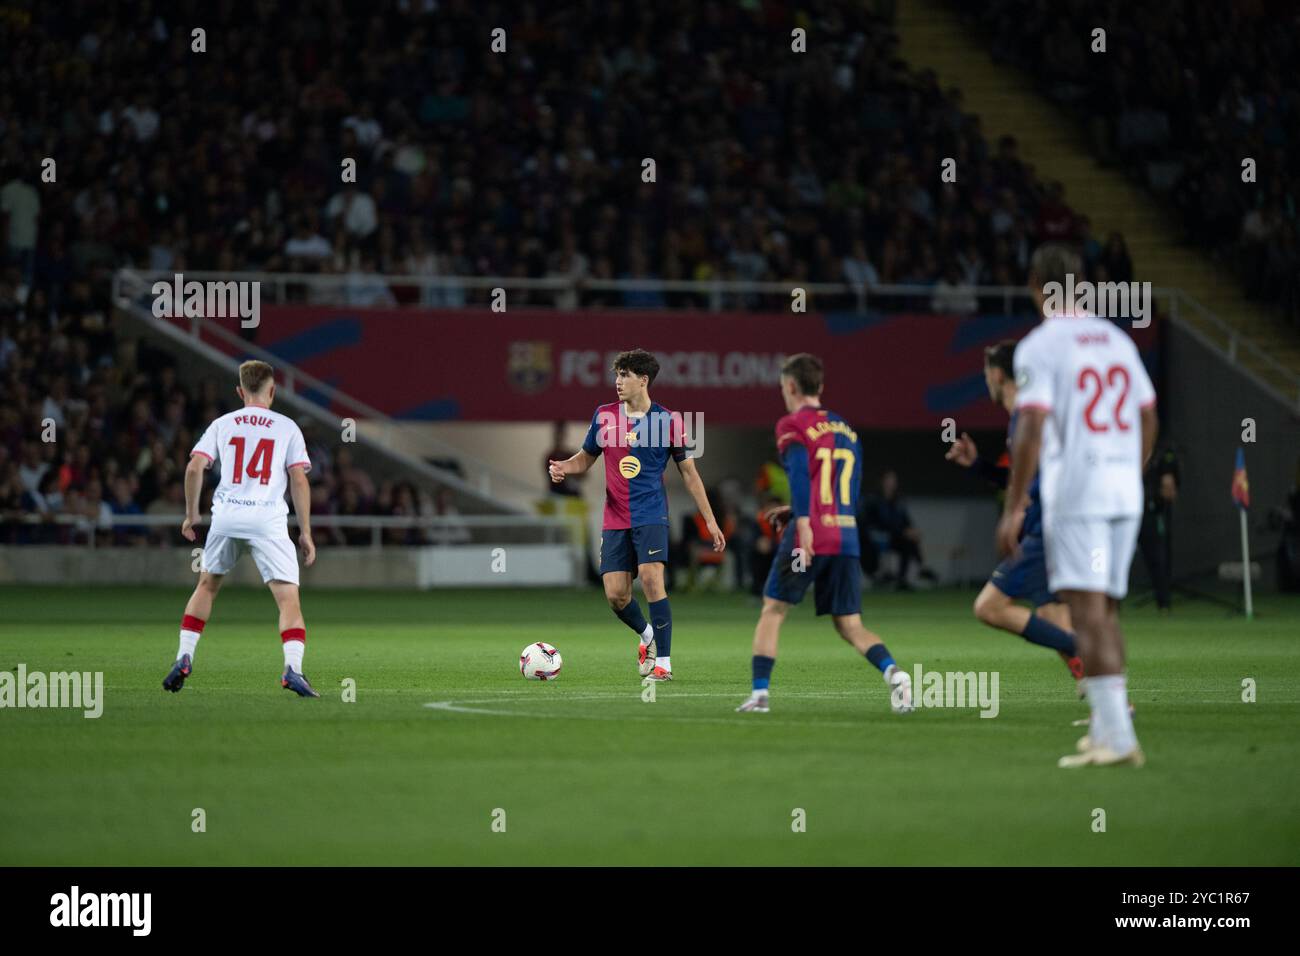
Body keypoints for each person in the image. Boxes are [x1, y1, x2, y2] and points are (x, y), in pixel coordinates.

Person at [998, 245, 1157, 768]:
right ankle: (1109, 727)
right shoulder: (1115, 338)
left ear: (1035, 285)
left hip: (1080, 491)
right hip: (1122, 491)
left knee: (1085, 614)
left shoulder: (1039, 347)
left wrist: (1015, 504)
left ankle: (1117, 739)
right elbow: (1149, 414)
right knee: (1105, 611)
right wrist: (1129, 471)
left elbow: (1031, 428)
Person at [736, 353, 913, 715]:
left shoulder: (792, 424)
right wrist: (804, 509)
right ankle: (893, 673)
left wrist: (803, 522)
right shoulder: (846, 429)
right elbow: (847, 487)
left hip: (811, 536)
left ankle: (759, 695)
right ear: (821, 387)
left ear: (789, 385)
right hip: (846, 535)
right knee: (850, 624)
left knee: (773, 610)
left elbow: (801, 474)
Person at [548, 349, 724, 681]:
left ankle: (664, 665)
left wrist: (710, 520)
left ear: (643, 380)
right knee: (616, 595)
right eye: (617, 375)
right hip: (615, 517)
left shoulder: (669, 421)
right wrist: (563, 468)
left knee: (652, 579)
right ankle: (648, 637)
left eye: (625, 375)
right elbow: (585, 459)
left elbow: (690, 474)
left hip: (651, 514)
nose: (617, 382)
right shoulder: (603, 416)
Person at [163, 360, 320, 698]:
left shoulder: (223, 423)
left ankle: (183, 657)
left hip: (227, 516)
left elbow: (194, 468)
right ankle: (293, 669)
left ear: (239, 391)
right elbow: (298, 478)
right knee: (287, 600)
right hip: (268, 520)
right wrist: (305, 531)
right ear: (273, 391)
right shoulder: (287, 427)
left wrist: (192, 515)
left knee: (206, 587)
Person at [946, 340, 1083, 685]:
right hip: (1056, 525)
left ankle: (1091, 650)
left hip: (1049, 529)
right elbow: (1020, 477)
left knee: (988, 607)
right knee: (1054, 619)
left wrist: (1021, 507)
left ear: (996, 374)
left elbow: (1043, 476)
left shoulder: (1027, 416)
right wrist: (978, 466)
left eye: (985, 374)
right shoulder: (1024, 417)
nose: (985, 382)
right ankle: (1108, 703)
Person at [859, 470, 937, 589]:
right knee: (904, 538)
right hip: (877, 538)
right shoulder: (873, 500)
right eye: (889, 479)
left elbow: (906, 520)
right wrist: (902, 531)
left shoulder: (898, 500)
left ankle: (903, 579)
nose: (892, 483)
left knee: (909, 542)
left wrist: (912, 530)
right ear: (882, 481)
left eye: (893, 480)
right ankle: (919, 568)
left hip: (897, 537)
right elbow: (878, 522)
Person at [1138, 443, 1179, 610]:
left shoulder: (1161, 453)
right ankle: (1109, 605)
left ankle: (1164, 603)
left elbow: (1169, 488)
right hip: (1122, 508)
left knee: (1157, 558)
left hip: (1149, 509)